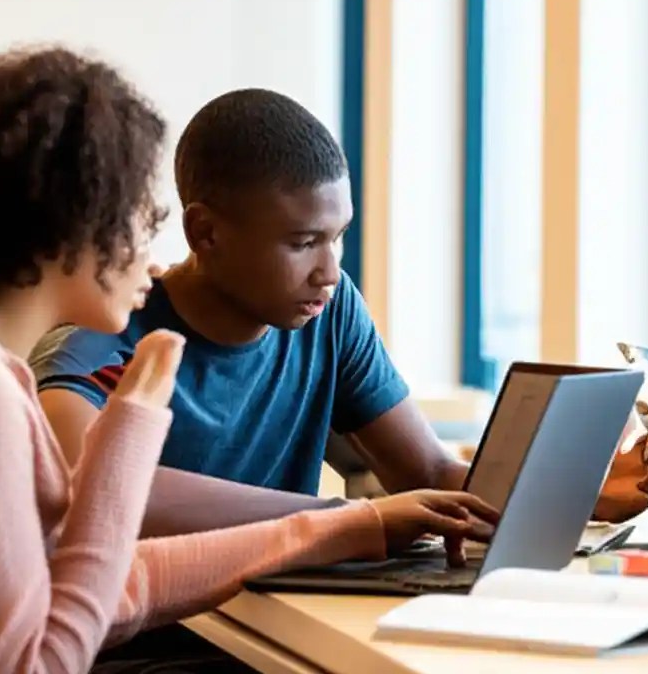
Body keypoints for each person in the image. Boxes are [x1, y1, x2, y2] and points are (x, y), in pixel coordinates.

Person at [0, 47, 497, 673]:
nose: (152, 248)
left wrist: (344, 526)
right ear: (72, 227)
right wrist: (128, 436)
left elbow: (111, 581)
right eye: (138, 218)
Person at [30, 87, 472, 537]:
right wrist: (343, 520)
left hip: (272, 604)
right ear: (206, 234)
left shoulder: (330, 312)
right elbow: (86, 483)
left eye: (336, 237)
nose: (330, 273)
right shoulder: (103, 337)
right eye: (302, 244)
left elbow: (432, 473)